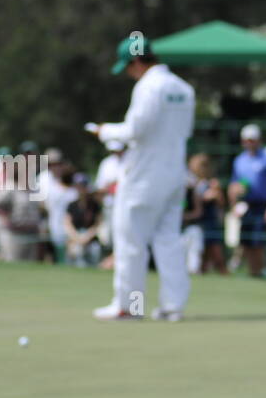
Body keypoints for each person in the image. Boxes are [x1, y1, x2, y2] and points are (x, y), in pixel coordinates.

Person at [91, 37, 196, 321]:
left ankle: (128, 306)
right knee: (168, 240)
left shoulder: (148, 86)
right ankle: (173, 306)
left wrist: (104, 132)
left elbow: (134, 130)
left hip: (143, 177)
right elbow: (184, 132)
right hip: (174, 174)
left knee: (130, 242)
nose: (128, 73)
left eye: (127, 67)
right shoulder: (184, 88)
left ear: (136, 62)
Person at [228, 123, 266, 277]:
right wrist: (233, 205)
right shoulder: (239, 160)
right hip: (246, 206)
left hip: (262, 205)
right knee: (246, 241)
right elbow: (233, 184)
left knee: (259, 242)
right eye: (247, 140)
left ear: (258, 140)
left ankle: (260, 272)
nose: (249, 143)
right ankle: (253, 272)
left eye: (253, 140)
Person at [64, 173, 104, 267]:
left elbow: (98, 224)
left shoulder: (94, 205)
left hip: (91, 241)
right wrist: (77, 238)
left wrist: (86, 236)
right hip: (75, 240)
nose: (80, 189)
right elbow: (67, 224)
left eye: (82, 186)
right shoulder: (72, 205)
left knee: (94, 252)